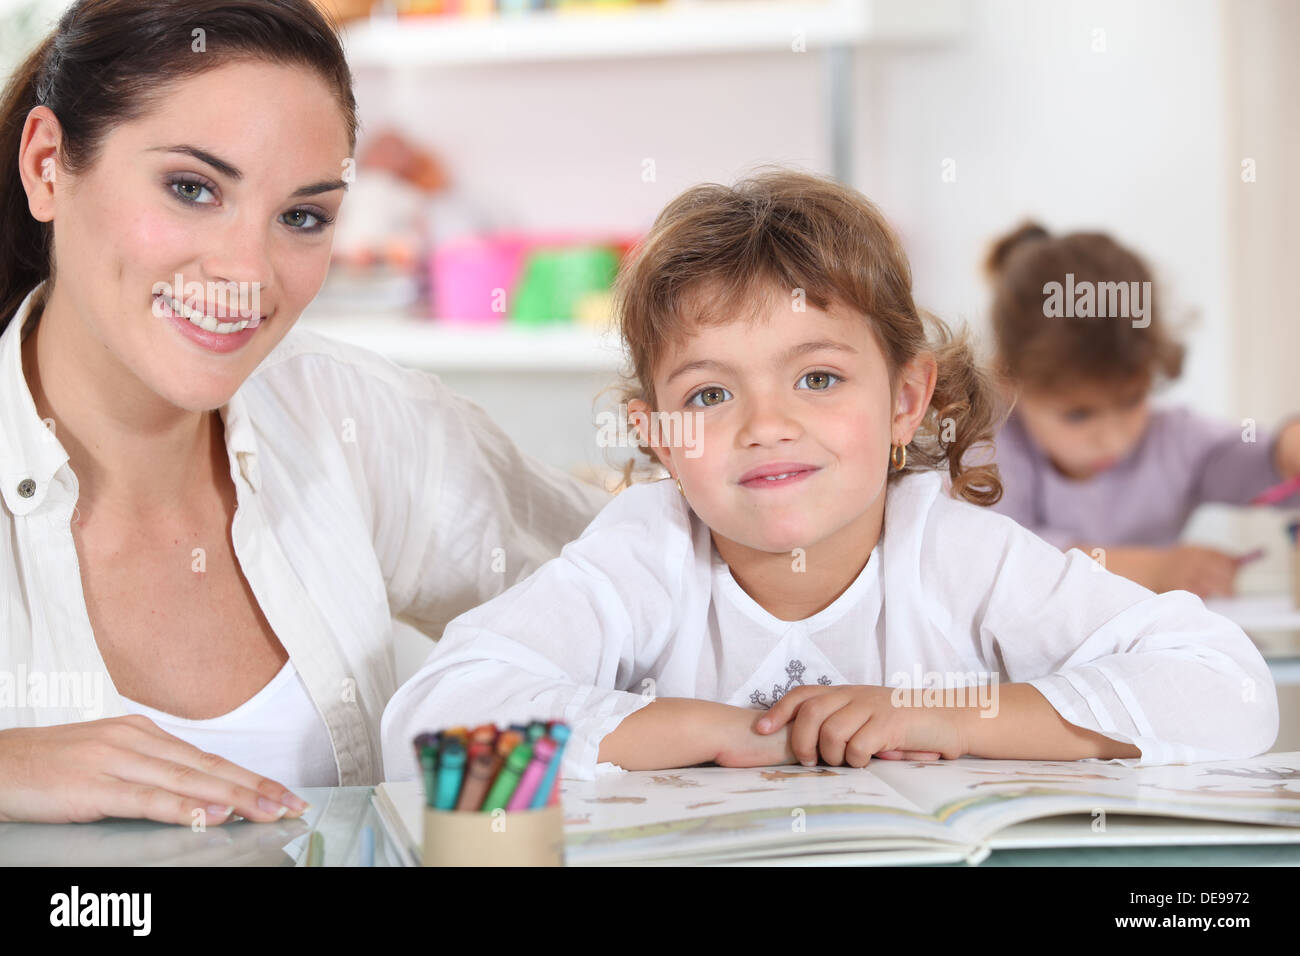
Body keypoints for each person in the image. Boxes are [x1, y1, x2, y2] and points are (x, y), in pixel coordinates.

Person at [381, 169, 1278, 782]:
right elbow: (427, 724)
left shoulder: (953, 552)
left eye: (818, 378)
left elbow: (1229, 689)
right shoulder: (645, 551)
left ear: (906, 400)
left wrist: (938, 718)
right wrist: (726, 734)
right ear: (654, 434)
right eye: (709, 394)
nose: (767, 425)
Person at [0, 0, 609, 825]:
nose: (248, 269)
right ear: (47, 166)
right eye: (191, 188)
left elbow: (654, 596)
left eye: (301, 217)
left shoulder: (347, 417)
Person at [982, 223, 1300, 598]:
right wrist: (1154, 569)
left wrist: (1286, 450)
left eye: (1131, 400)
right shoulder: (990, 451)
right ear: (1008, 382)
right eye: (1079, 415)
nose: (1113, 438)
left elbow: (1256, 462)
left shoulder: (1172, 439)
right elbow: (999, 559)